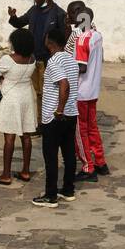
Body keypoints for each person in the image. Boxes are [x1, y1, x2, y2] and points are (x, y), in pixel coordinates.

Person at [31, 28, 79, 208]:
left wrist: (59, 110)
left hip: (55, 116)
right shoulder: (72, 60)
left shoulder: (53, 62)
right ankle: (68, 189)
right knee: (68, 154)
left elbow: (64, 85)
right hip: (72, 114)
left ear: (49, 42)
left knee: (50, 156)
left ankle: (50, 195)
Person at [0, 29, 38, 185]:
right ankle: (25, 171)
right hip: (27, 96)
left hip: (11, 99)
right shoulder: (32, 58)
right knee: (26, 135)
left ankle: (6, 174)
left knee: (9, 137)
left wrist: (5, 79)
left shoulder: (8, 59)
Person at [7, 0, 65, 100]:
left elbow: (63, 39)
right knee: (34, 92)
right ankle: (37, 116)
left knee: (48, 92)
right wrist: (13, 17)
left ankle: (46, 116)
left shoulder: (59, 14)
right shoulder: (34, 10)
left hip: (48, 60)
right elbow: (19, 23)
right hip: (32, 59)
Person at [71, 6, 108, 182]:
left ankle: (88, 167)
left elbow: (81, 67)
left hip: (80, 92)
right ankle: (100, 161)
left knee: (80, 131)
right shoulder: (97, 35)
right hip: (92, 90)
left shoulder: (81, 39)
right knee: (92, 128)